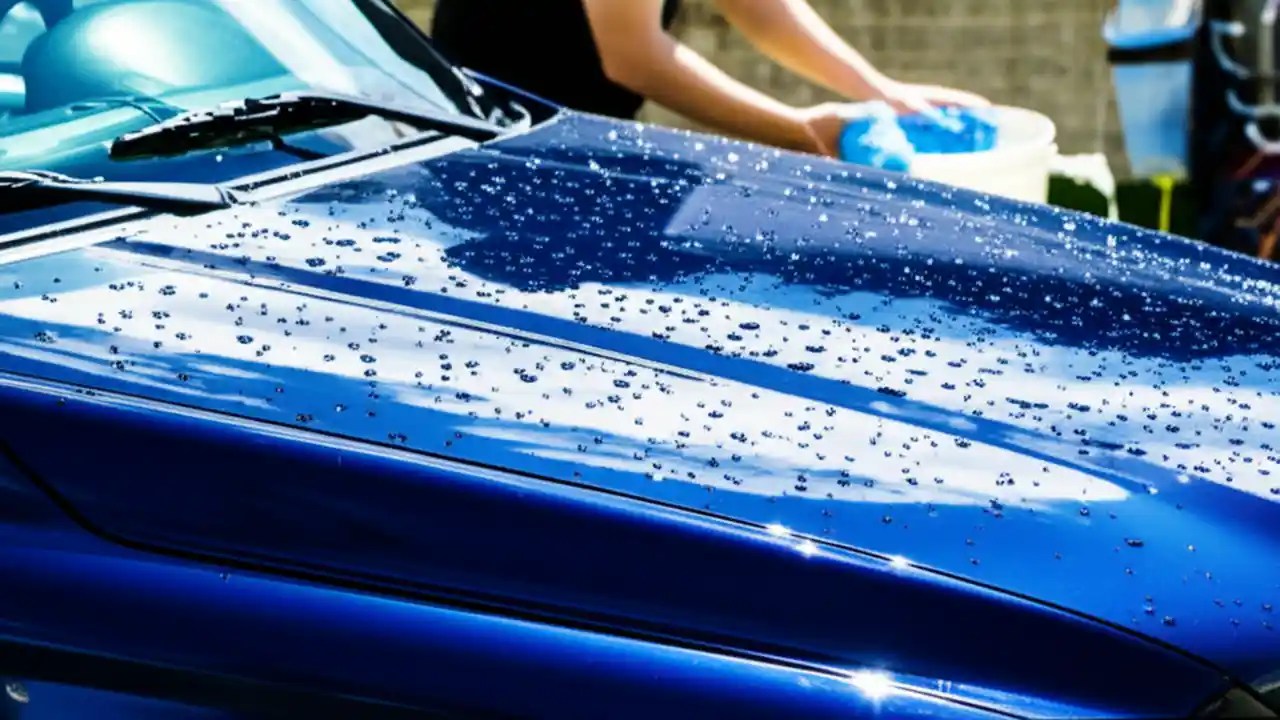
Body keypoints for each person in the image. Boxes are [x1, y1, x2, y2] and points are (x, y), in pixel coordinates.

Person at [429, 0, 988, 158]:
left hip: (579, 132)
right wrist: (806, 133)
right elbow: (634, 57)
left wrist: (882, 92)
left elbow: (757, 6)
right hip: (496, 140)